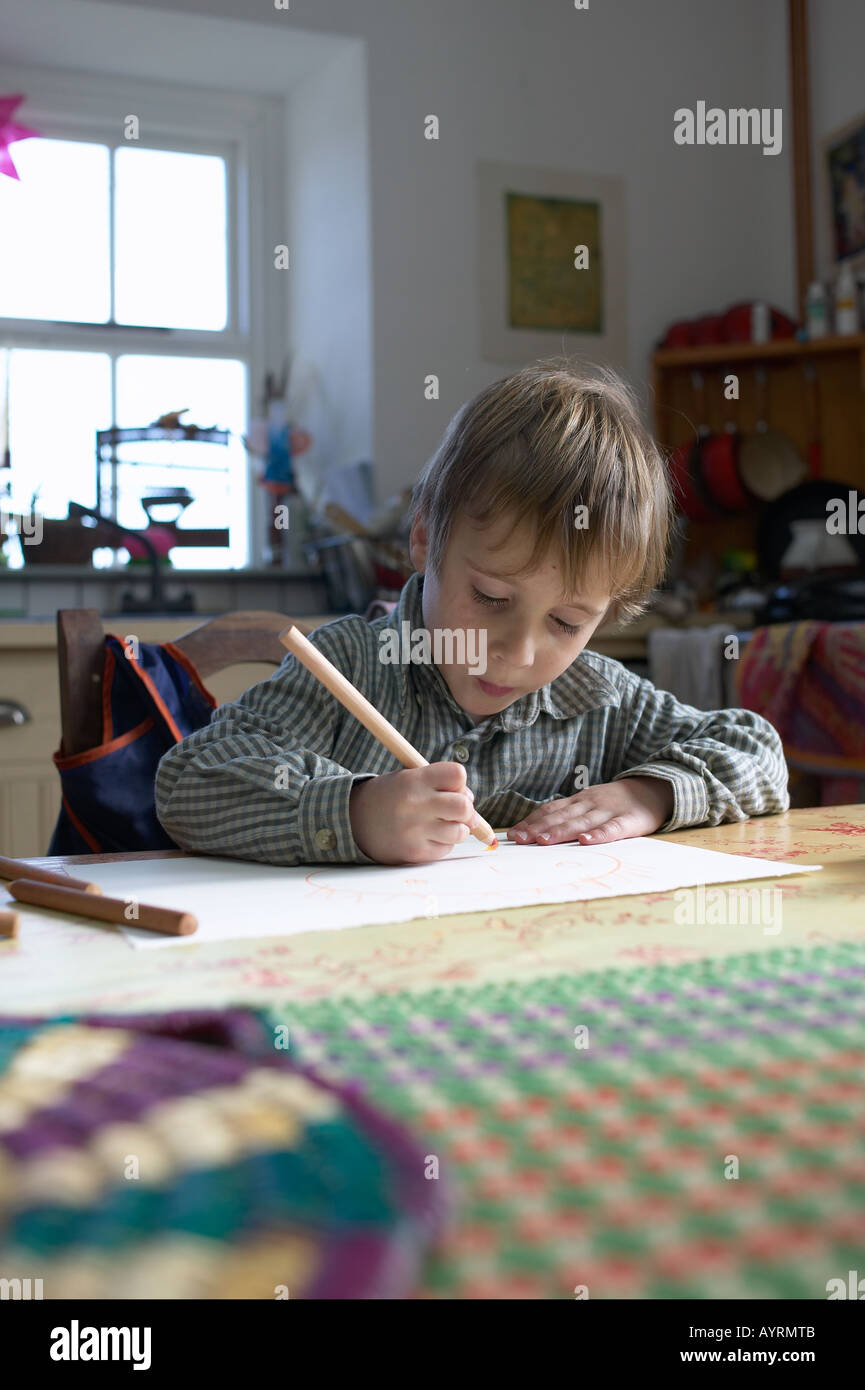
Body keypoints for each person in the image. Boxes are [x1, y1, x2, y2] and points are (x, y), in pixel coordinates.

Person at [155, 359, 789, 866]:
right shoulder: (350, 666)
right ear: (427, 536)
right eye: (491, 598)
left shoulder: (599, 700)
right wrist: (354, 814)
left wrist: (648, 794)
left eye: (566, 624)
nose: (517, 653)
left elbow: (759, 752)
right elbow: (187, 784)